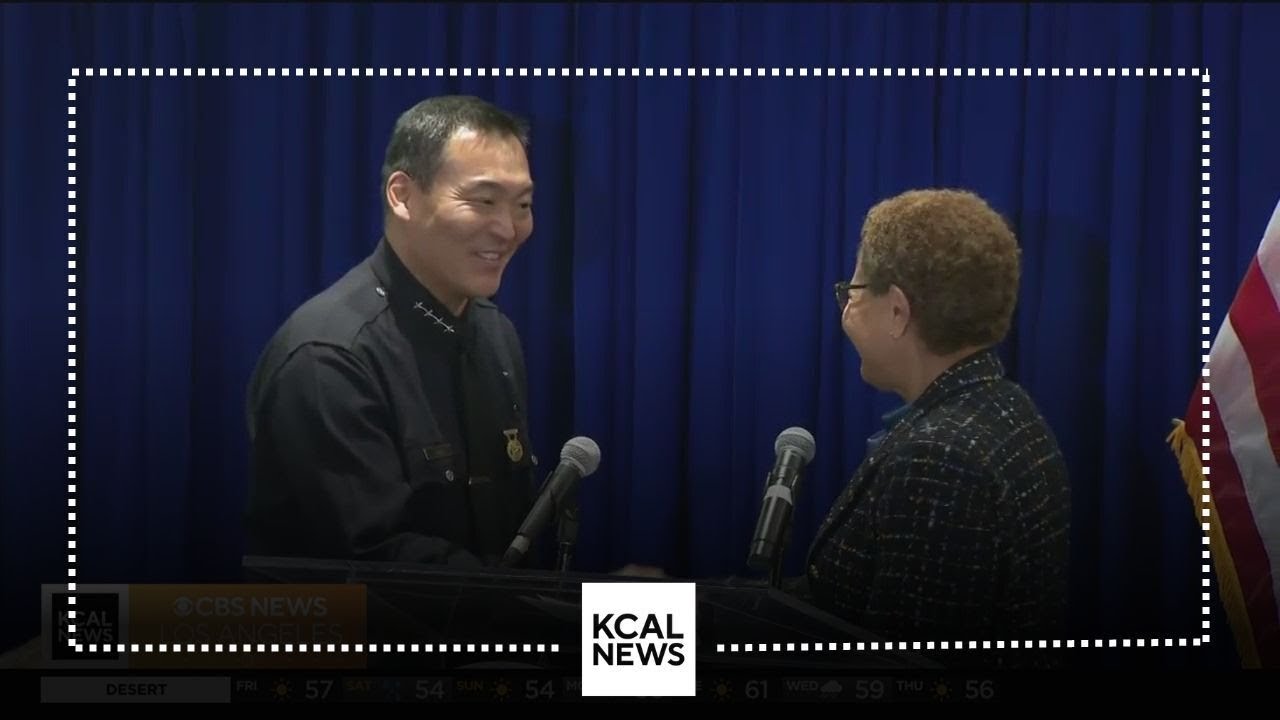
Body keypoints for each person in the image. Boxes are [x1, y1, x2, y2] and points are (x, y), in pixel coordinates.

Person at [244, 95, 541, 569]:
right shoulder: (329, 357)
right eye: (483, 201)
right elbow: (388, 571)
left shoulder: (494, 334)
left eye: (522, 204)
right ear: (402, 195)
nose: (508, 228)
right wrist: (585, 616)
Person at [804, 188, 1071, 666]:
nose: (845, 309)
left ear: (898, 312)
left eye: (854, 291)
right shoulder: (1006, 406)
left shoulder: (939, 459)